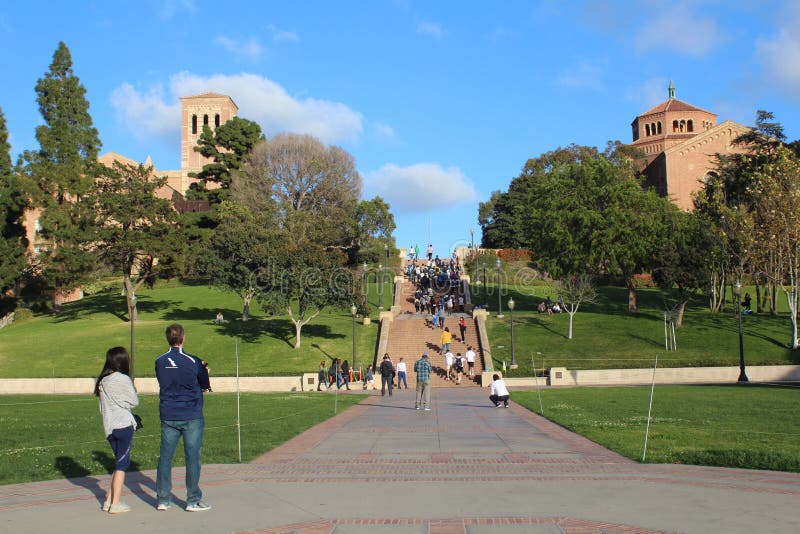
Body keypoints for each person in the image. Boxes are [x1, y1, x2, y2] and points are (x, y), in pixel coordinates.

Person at [155, 323, 211, 512]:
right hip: (191, 414)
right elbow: (204, 383)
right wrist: (205, 372)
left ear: (167, 339)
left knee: (165, 457)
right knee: (192, 457)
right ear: (183, 338)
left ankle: (163, 498)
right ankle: (193, 499)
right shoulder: (193, 361)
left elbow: (164, 381)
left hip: (168, 413)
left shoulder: (160, 361)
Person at [95, 347, 139, 514]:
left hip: (109, 427)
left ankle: (108, 500)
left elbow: (102, 407)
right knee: (122, 465)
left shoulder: (102, 382)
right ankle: (116, 504)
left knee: (118, 462)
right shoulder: (123, 379)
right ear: (123, 361)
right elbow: (133, 402)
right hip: (123, 426)